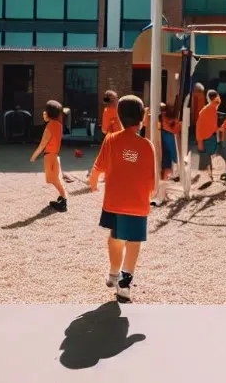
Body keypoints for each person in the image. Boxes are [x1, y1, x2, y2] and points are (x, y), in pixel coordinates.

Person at [88, 95, 156, 301]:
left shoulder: (111, 140)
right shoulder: (146, 146)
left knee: (115, 239)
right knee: (133, 242)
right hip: (137, 202)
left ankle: (113, 272)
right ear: (141, 119)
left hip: (115, 202)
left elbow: (97, 167)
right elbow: (152, 181)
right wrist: (149, 193)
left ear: (119, 117)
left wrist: (92, 182)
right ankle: (124, 286)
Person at [30, 100, 67, 212]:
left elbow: (42, 145)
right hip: (55, 154)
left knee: (51, 179)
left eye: (45, 112)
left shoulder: (49, 127)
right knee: (54, 178)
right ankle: (63, 196)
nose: (43, 114)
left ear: (48, 114)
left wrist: (34, 156)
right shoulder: (59, 125)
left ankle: (64, 199)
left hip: (49, 156)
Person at [196, 90, 220, 182]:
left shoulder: (205, 110)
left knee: (206, 156)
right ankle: (209, 175)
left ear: (208, 98)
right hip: (211, 135)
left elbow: (199, 127)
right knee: (208, 156)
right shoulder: (214, 107)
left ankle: (209, 175)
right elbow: (218, 101)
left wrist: (199, 141)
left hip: (205, 137)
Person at [160, 102, 181, 181]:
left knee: (168, 163)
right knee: (167, 163)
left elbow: (176, 129)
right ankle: (167, 179)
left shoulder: (169, 120)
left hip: (167, 144)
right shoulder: (165, 120)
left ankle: (167, 179)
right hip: (165, 145)